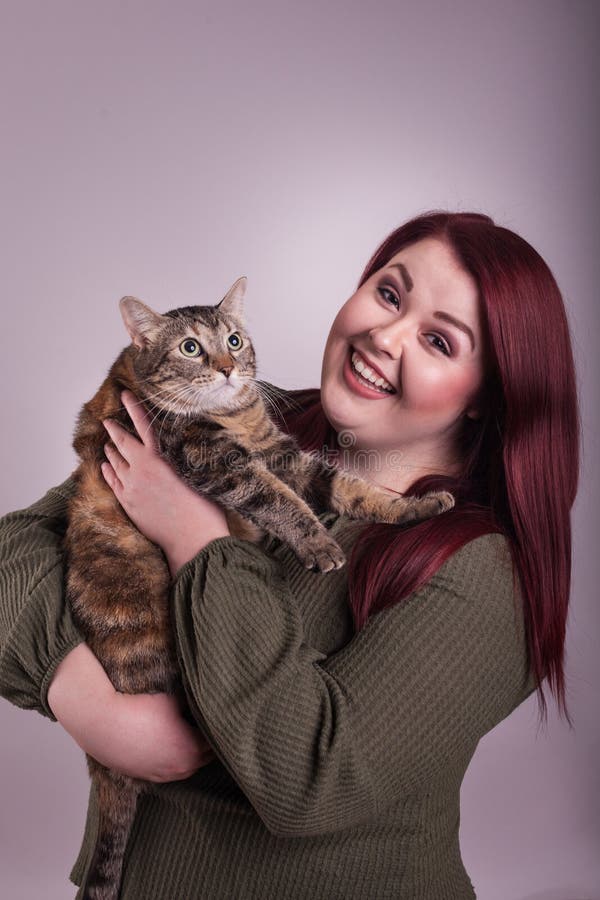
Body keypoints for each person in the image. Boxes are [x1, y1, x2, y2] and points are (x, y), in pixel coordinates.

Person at [0, 210, 579, 899]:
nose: (385, 336)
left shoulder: (481, 574)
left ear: (487, 395)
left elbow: (306, 779)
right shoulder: (240, 418)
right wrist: (89, 702)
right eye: (390, 294)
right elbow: (16, 550)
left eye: (438, 340)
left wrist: (198, 541)